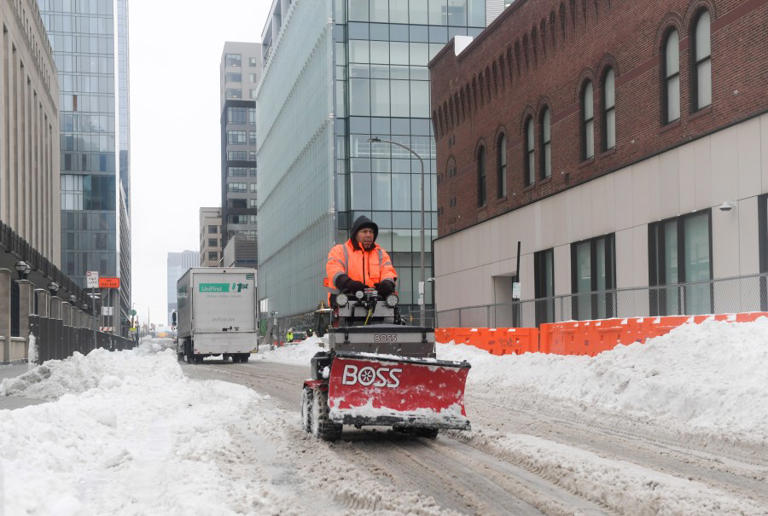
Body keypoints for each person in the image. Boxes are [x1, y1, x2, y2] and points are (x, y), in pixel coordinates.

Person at [326, 215, 397, 304]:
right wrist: (348, 283)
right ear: (355, 234)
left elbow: (388, 271)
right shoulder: (339, 251)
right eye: (364, 231)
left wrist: (387, 283)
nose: (368, 235)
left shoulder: (381, 254)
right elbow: (334, 270)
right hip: (344, 302)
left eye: (371, 232)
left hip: (376, 303)